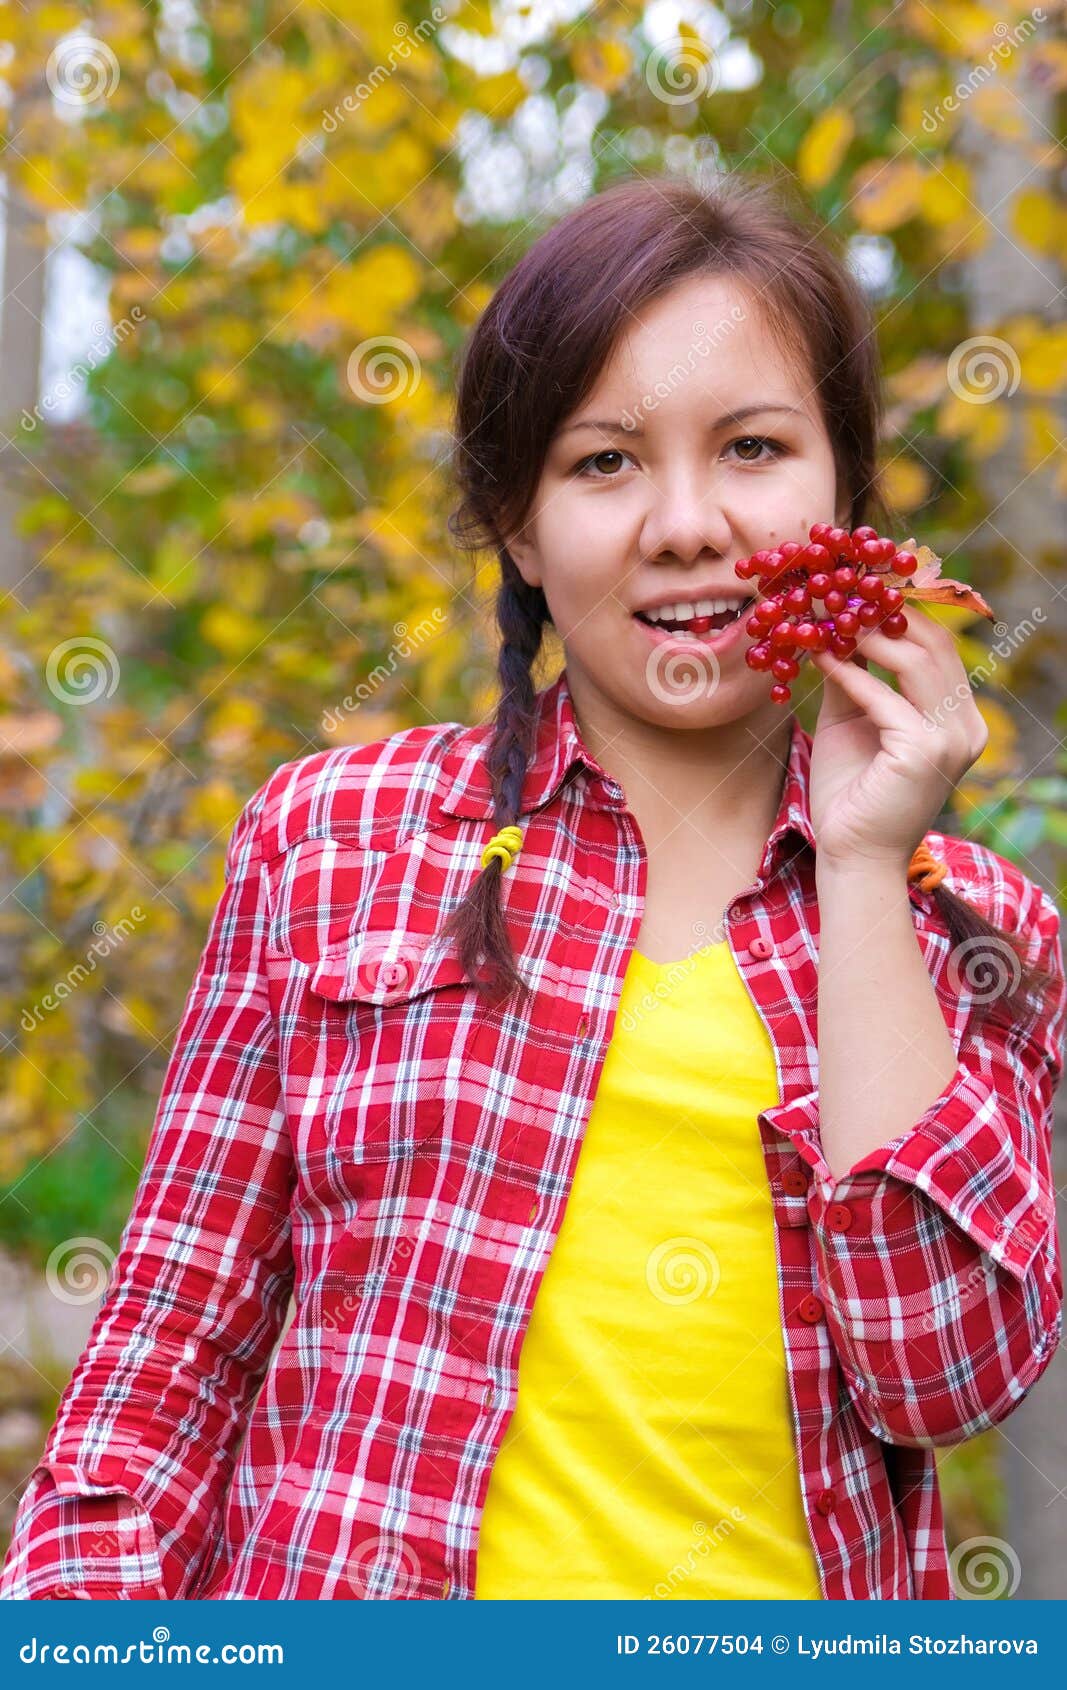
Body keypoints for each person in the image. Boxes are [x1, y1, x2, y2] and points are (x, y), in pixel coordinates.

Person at [1, 172, 1063, 1603]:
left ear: (846, 498)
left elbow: (943, 1376)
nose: (688, 525)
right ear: (516, 522)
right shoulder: (333, 839)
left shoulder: (976, 928)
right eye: (604, 462)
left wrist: (866, 865)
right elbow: (169, 1356)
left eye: (753, 448)